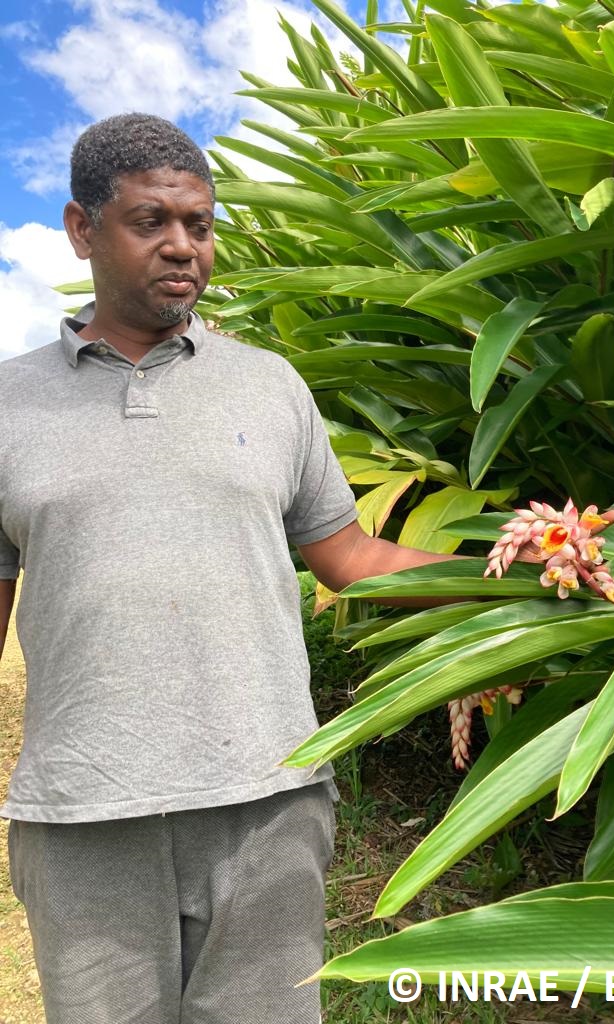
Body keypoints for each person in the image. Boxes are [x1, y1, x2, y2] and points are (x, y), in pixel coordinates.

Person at [0, 112, 461, 1024]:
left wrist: (510, 576)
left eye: (200, 225)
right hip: (83, 817)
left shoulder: (271, 384)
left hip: (268, 804)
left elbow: (351, 556)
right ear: (82, 228)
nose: (184, 247)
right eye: (151, 222)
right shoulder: (9, 403)